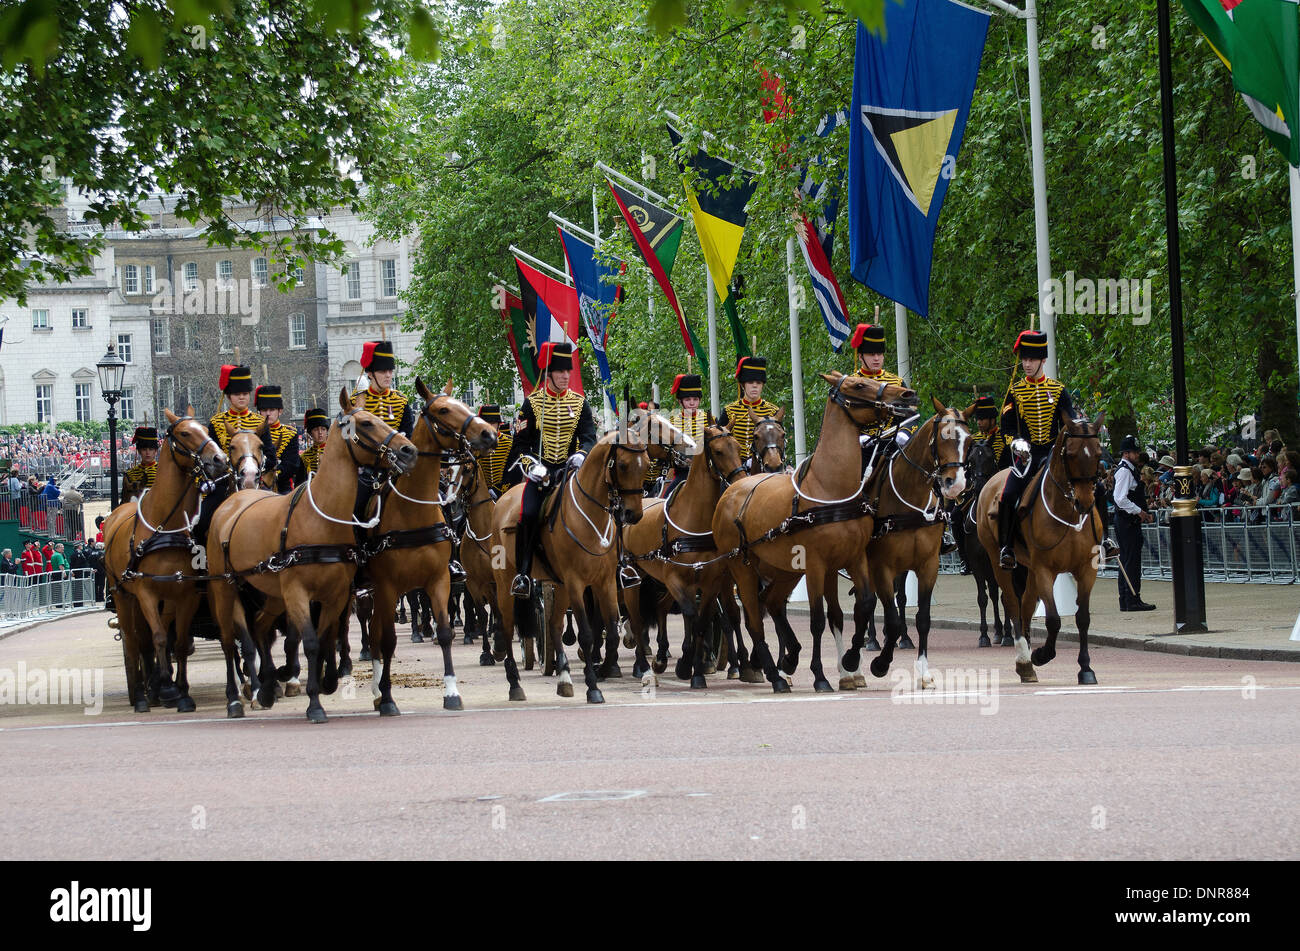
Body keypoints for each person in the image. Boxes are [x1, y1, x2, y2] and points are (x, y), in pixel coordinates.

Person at [997, 329, 1120, 569]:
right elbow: (1007, 427)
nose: (1027, 364)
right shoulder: (1014, 392)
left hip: (1055, 453)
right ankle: (1007, 547)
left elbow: (1070, 423)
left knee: (1100, 488)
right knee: (1008, 494)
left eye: (1031, 359)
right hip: (1028, 454)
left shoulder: (1058, 390)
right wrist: (1015, 441)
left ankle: (1105, 540)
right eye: (1024, 359)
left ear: (1043, 360)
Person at [503, 341, 596, 598]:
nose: (566, 376)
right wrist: (532, 466)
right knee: (528, 513)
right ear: (549, 373)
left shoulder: (579, 404)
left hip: (570, 473)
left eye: (568, 371)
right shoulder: (532, 404)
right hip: (541, 475)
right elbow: (519, 446)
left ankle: (612, 565)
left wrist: (581, 454)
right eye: (560, 371)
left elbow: (590, 437)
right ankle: (522, 574)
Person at [192, 364, 270, 545]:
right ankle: (202, 560)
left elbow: (270, 455)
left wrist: (261, 470)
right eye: (237, 394)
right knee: (201, 522)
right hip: (225, 483)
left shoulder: (260, 422)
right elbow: (210, 458)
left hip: (257, 479)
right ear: (228, 396)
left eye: (245, 393)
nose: (241, 397)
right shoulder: (217, 422)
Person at [1112, 435, 1155, 611]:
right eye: (1134, 452)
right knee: (1131, 561)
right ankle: (1131, 599)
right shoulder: (1124, 471)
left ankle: (1127, 599)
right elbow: (1120, 499)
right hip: (1127, 522)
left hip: (1128, 522)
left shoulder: (1129, 469)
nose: (1137, 455)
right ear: (1126, 453)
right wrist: (1140, 512)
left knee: (1128, 560)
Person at [718, 356, 781, 471]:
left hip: (765, 467)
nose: (755, 386)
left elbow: (779, 441)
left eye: (758, 382)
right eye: (750, 382)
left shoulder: (773, 411)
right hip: (734, 468)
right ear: (743, 385)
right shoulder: (729, 411)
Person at [350, 340, 414, 435]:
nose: (388, 375)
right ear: (371, 374)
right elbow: (346, 435)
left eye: (390, 371)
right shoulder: (355, 401)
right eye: (383, 371)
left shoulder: (401, 401)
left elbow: (409, 435)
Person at [666, 373, 710, 490]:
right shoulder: (672, 421)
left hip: (707, 471)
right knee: (667, 498)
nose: (692, 403)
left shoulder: (709, 419)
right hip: (683, 472)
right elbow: (668, 449)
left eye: (695, 399)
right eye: (687, 399)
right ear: (680, 402)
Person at [254, 384, 300, 492]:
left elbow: (291, 464)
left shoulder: (290, 433)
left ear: (280, 411)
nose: (268, 414)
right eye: (264, 410)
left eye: (272, 409)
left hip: (281, 485)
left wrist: (272, 475)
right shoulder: (254, 433)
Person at [476, 405, 513, 497]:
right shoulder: (477, 445)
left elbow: (513, 470)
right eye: (487, 423)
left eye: (493, 423)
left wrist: (498, 490)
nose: (490, 426)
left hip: (507, 491)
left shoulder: (510, 442)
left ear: (498, 424)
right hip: (482, 492)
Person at [121, 426, 159, 501]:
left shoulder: (163, 472)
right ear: (139, 451)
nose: (147, 453)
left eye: (151, 449)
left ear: (155, 451)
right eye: (144, 449)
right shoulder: (130, 475)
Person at [294, 407, 330, 482]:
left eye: (323, 429)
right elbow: (300, 483)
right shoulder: (304, 457)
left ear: (327, 431)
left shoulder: (334, 452)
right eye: (316, 429)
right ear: (310, 433)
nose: (320, 432)